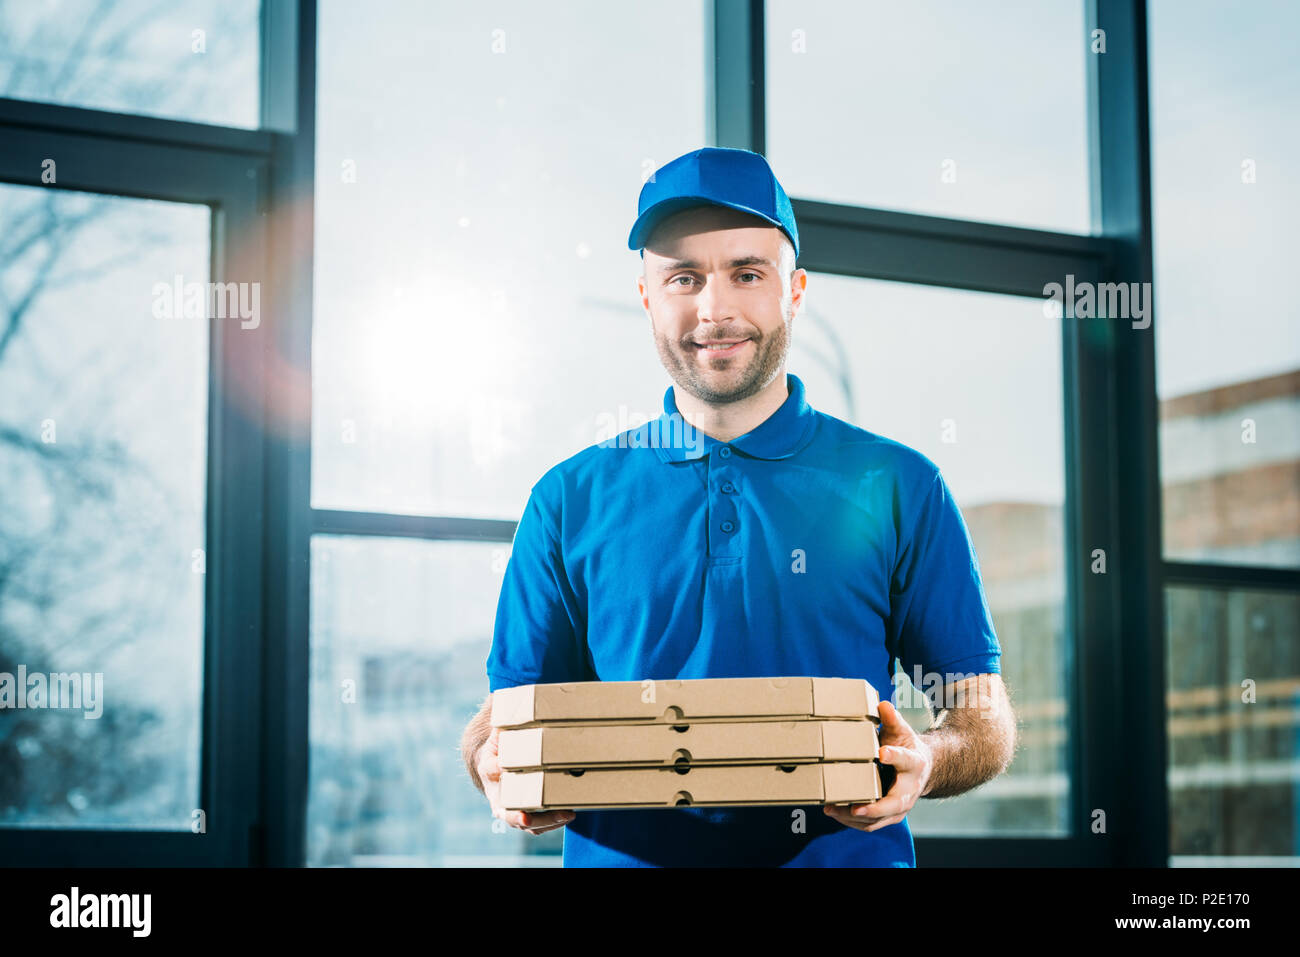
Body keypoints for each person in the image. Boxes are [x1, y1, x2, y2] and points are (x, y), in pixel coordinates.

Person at [460, 146, 1017, 866]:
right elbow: (501, 719)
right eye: (683, 277)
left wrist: (931, 759)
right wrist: (492, 765)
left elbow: (981, 714)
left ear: (795, 290)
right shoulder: (567, 499)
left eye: (746, 273)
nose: (714, 309)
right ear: (647, 297)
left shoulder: (900, 483)